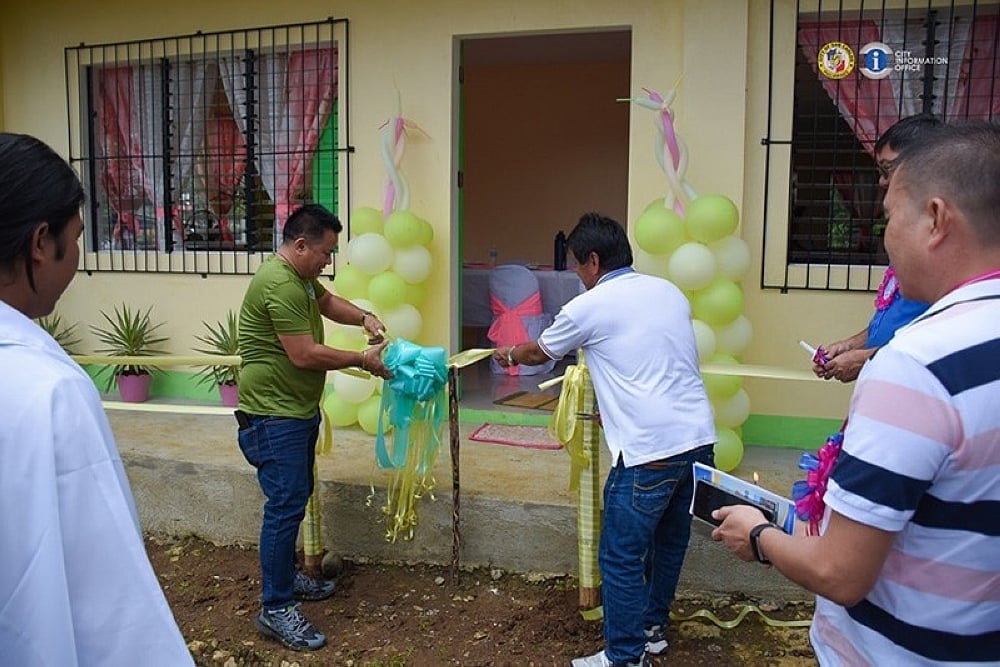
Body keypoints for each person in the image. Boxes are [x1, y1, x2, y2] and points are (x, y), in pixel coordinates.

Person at [714, 121, 1000, 665]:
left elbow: (838, 573)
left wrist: (759, 536)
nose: (884, 234)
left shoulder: (916, 366)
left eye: (890, 214)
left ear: (936, 219)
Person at [0, 133, 194, 664]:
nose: (78, 261)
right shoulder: (48, 393)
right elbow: (112, 609)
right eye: (79, 236)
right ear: (41, 242)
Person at [494, 213, 716, 667]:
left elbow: (540, 352)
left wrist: (509, 351)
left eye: (576, 266)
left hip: (648, 452)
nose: (577, 276)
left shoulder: (590, 305)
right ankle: (651, 630)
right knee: (669, 543)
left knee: (620, 555)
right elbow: (649, 359)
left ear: (593, 261)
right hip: (697, 440)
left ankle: (625, 656)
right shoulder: (668, 291)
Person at [237, 203, 392, 651]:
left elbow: (327, 303)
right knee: (284, 506)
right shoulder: (278, 284)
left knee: (294, 497)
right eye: (325, 252)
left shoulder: (301, 278)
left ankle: (286, 581)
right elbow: (303, 354)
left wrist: (363, 315)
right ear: (300, 245)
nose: (329, 261)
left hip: (294, 410)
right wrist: (362, 360)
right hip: (272, 415)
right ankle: (276, 607)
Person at [813, 114, 941, 382]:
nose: (882, 181)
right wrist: (854, 345)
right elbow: (896, 318)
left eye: (887, 169)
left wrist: (866, 359)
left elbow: (939, 337)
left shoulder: (945, 250)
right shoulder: (917, 242)